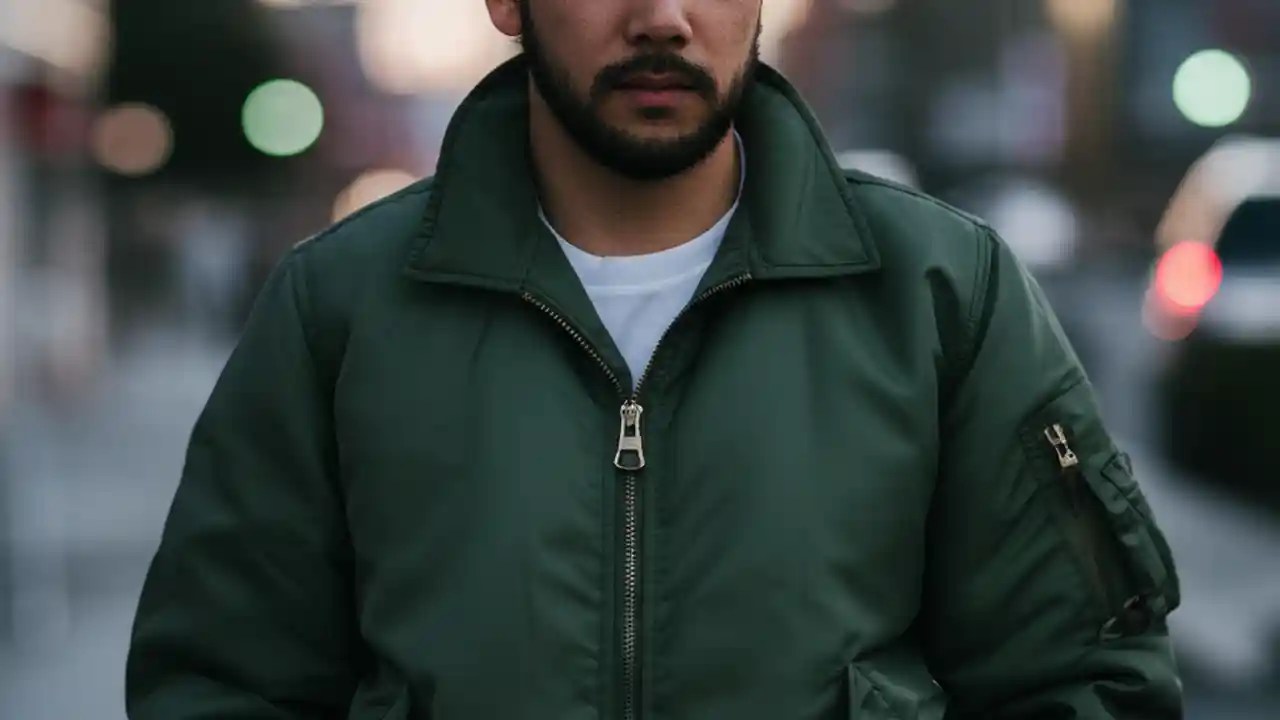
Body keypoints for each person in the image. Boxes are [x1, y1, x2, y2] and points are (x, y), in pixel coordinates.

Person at [126, 1, 1183, 718]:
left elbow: (1082, 682)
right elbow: (219, 685)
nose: (663, 16)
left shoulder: (940, 294)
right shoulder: (341, 311)